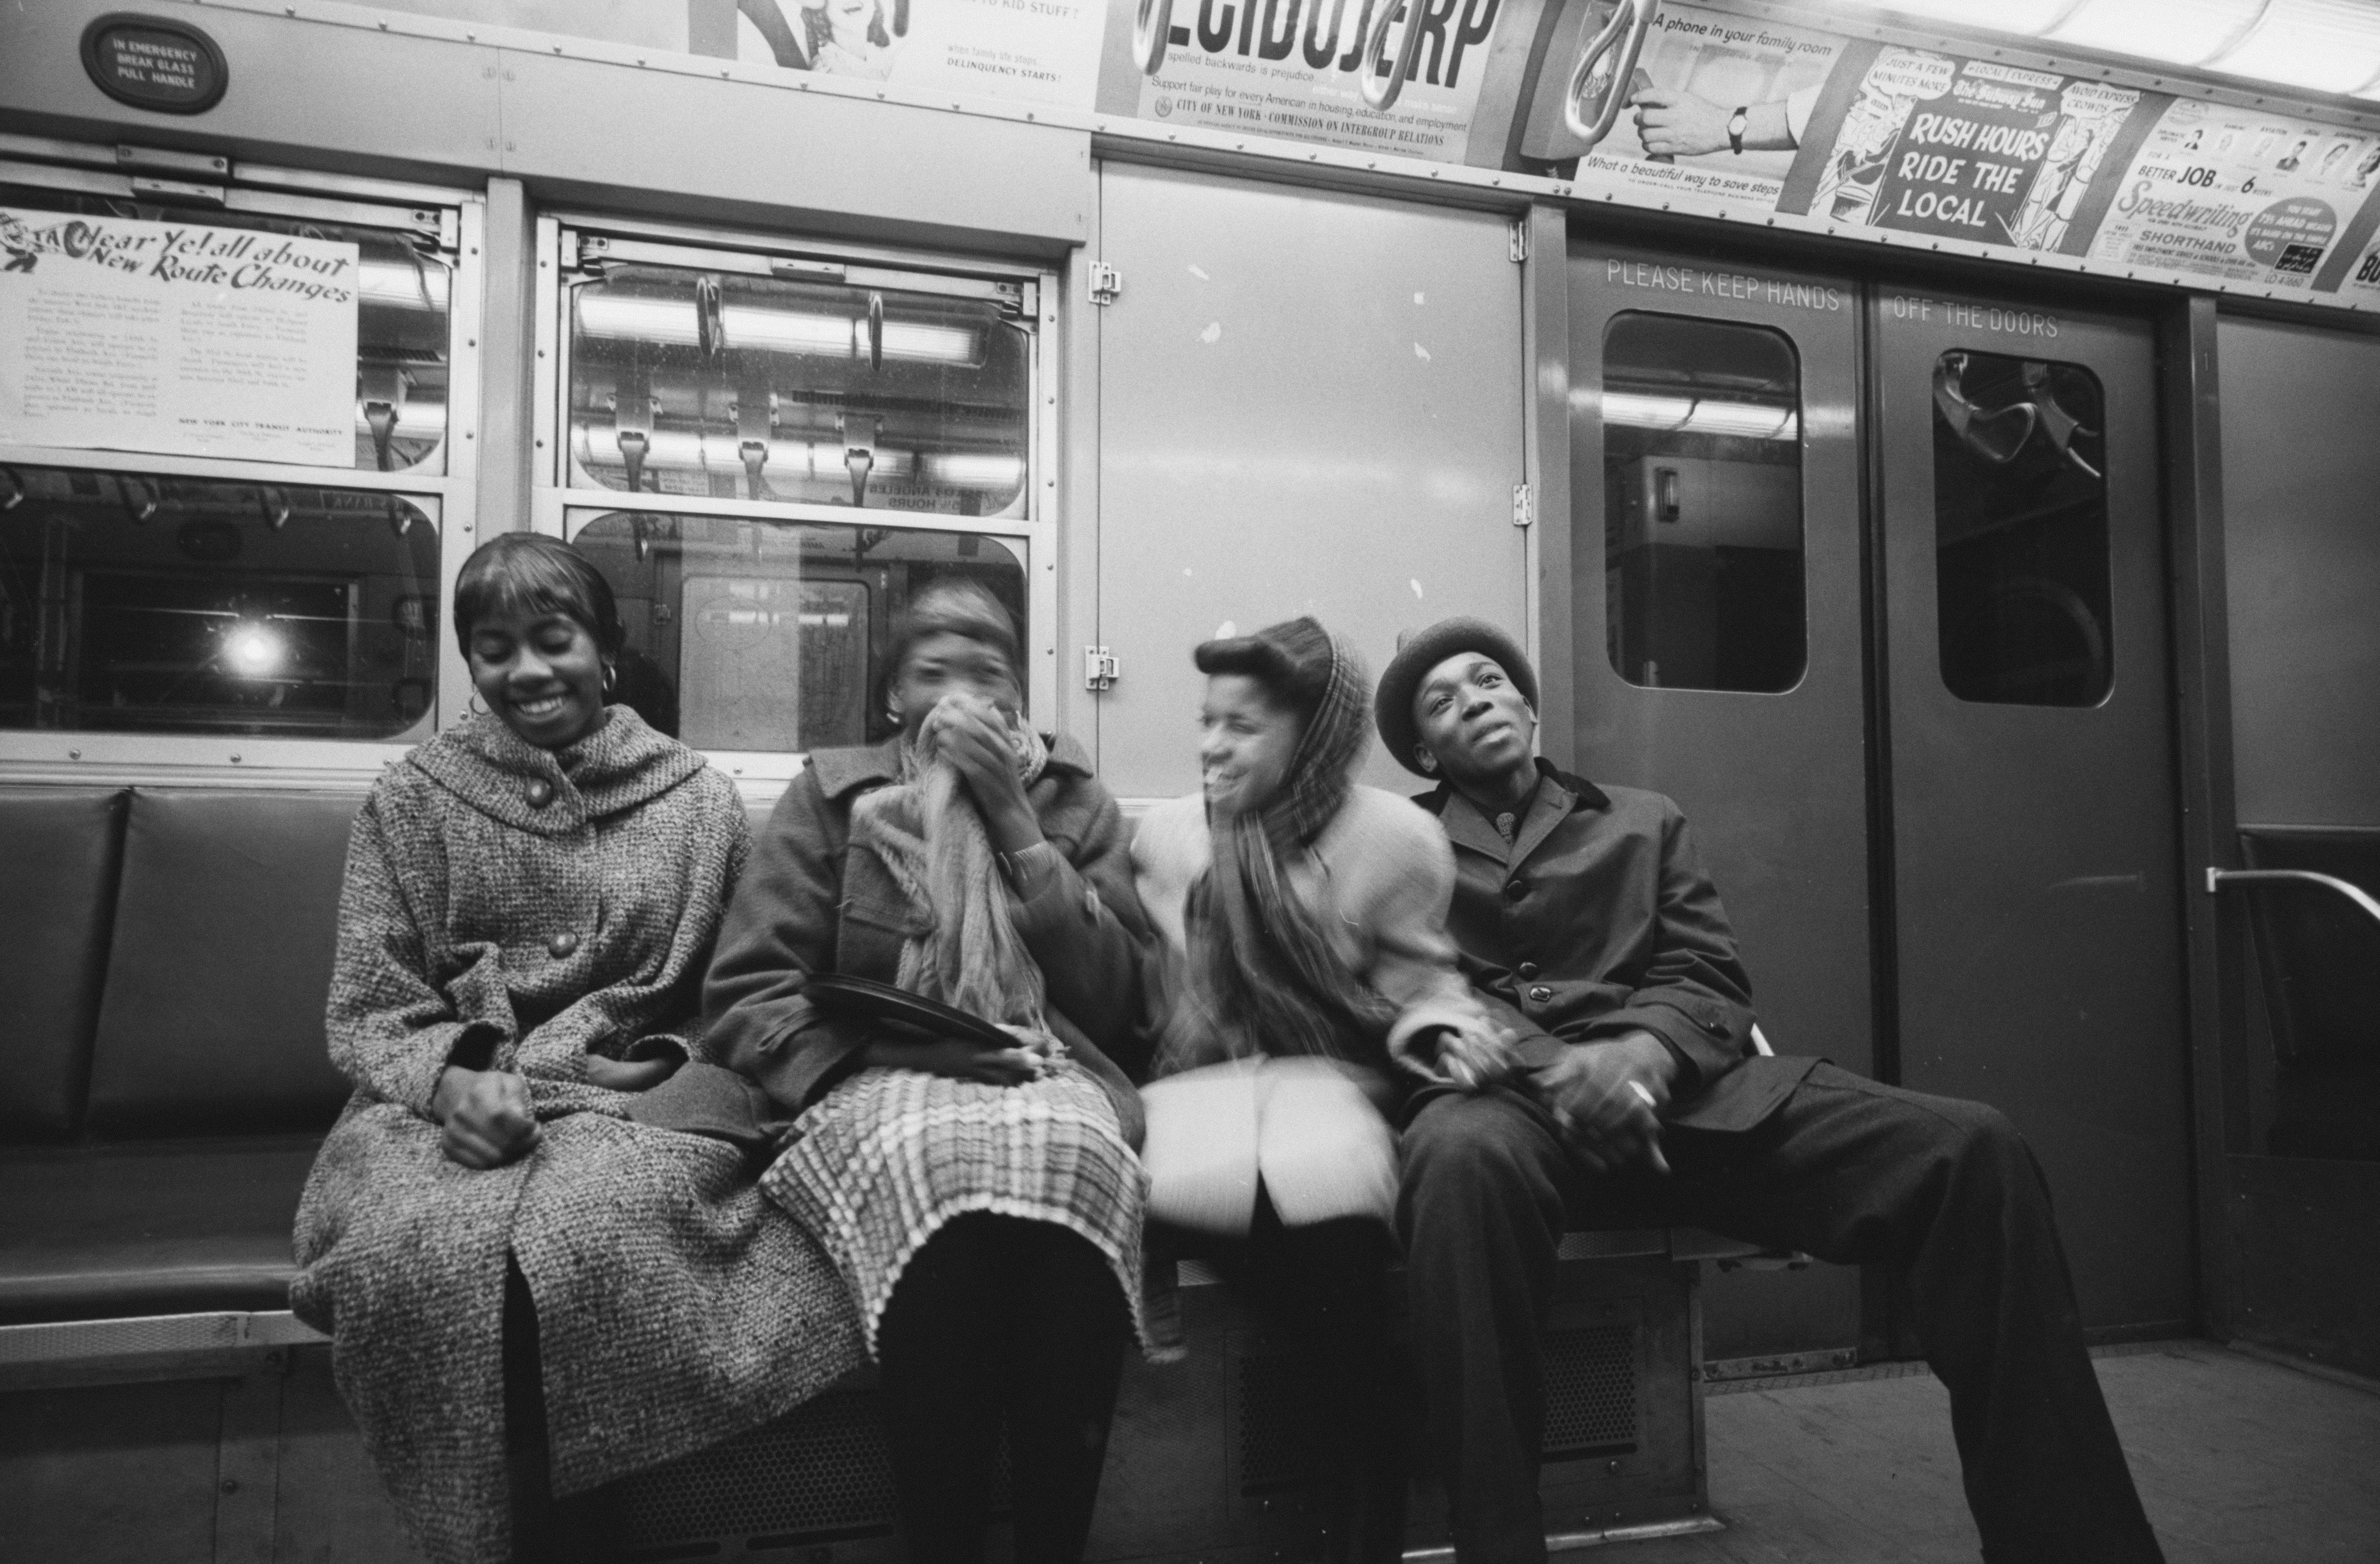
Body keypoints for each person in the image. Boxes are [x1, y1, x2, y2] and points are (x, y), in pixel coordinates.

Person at [1373, 616, 2167, 1564]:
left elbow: (1706, 974)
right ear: (1425, 748)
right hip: (1505, 1112)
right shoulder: (1396, 844)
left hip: (1684, 1104)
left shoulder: (1642, 815)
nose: (1477, 698)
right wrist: (1555, 1066)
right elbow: (1414, 989)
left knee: (1973, 1149)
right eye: (1444, 699)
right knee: (1455, 1160)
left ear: (1530, 705)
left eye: (1491, 679)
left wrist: (1643, 1052)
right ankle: (1496, 1544)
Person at [292, 534, 861, 1564]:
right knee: (415, 1254)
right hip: (429, 1112)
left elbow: (741, 990)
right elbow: (369, 1007)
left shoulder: (698, 801)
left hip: (641, 1106)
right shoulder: (412, 800)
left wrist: (659, 1066)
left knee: (589, 1238)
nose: (525, 672)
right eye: (495, 648)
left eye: (551, 640)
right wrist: (453, 1076)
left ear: (606, 650)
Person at [703, 581, 1155, 1564]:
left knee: (1078, 1158)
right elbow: (748, 995)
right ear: (893, 699)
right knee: (939, 1169)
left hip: (1046, 1066)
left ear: (1018, 697)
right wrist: (905, 1050)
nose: (960, 695)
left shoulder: (1075, 802)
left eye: (986, 673)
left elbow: (1121, 999)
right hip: (869, 1076)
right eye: (931, 674)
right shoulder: (830, 799)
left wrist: (1011, 818)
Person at [1130, 617, 1510, 1564]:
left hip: (1338, 1083)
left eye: (1244, 727)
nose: (1213, 747)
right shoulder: (1169, 837)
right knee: (1285, 1238)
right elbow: (1150, 994)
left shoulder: (1397, 841)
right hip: (1202, 1094)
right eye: (1206, 722)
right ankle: (1385, 1421)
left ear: (1316, 739)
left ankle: (1368, 1514)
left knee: (1324, 1211)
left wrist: (1439, 1030)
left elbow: (1424, 982)